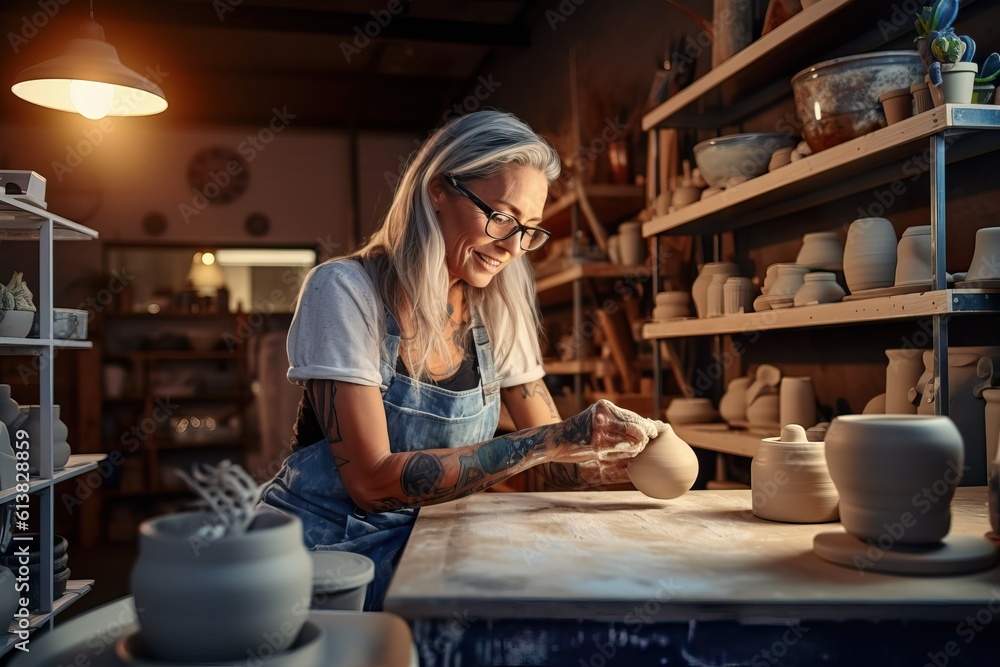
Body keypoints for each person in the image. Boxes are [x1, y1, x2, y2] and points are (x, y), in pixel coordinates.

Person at [259, 109, 661, 611]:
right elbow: (372, 483)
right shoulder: (344, 291)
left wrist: (628, 458)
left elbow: (553, 465)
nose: (514, 247)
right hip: (323, 557)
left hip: (429, 543)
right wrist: (552, 439)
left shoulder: (498, 307)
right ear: (438, 190)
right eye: (501, 216)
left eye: (530, 229)